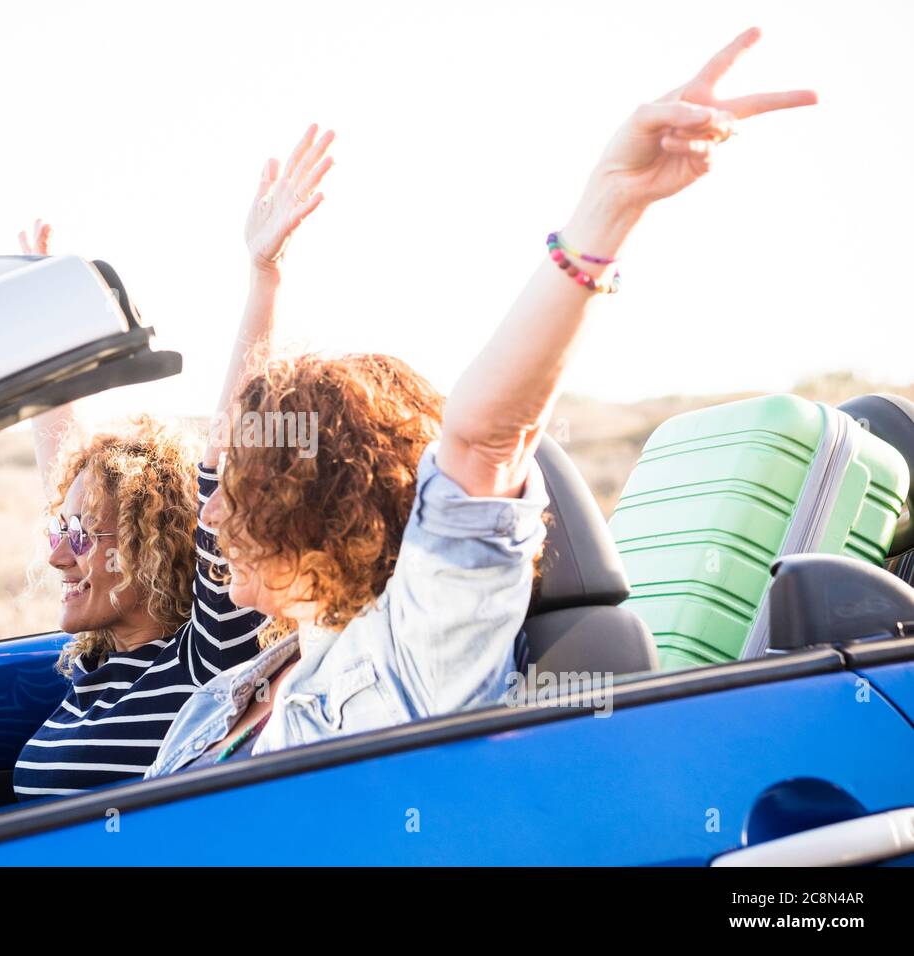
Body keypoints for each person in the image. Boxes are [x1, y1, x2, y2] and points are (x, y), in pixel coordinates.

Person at [146, 27, 817, 775]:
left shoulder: (417, 649)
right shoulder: (251, 679)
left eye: (237, 489)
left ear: (311, 505)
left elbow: (483, 441)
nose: (205, 511)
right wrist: (263, 275)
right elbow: (228, 446)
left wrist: (610, 205)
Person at [11, 125, 336, 798]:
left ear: (151, 548)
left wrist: (263, 277)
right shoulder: (93, 668)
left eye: (77, 537)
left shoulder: (202, 663)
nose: (55, 556)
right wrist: (43, 325)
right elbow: (64, 475)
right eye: (57, 532)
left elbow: (226, 452)